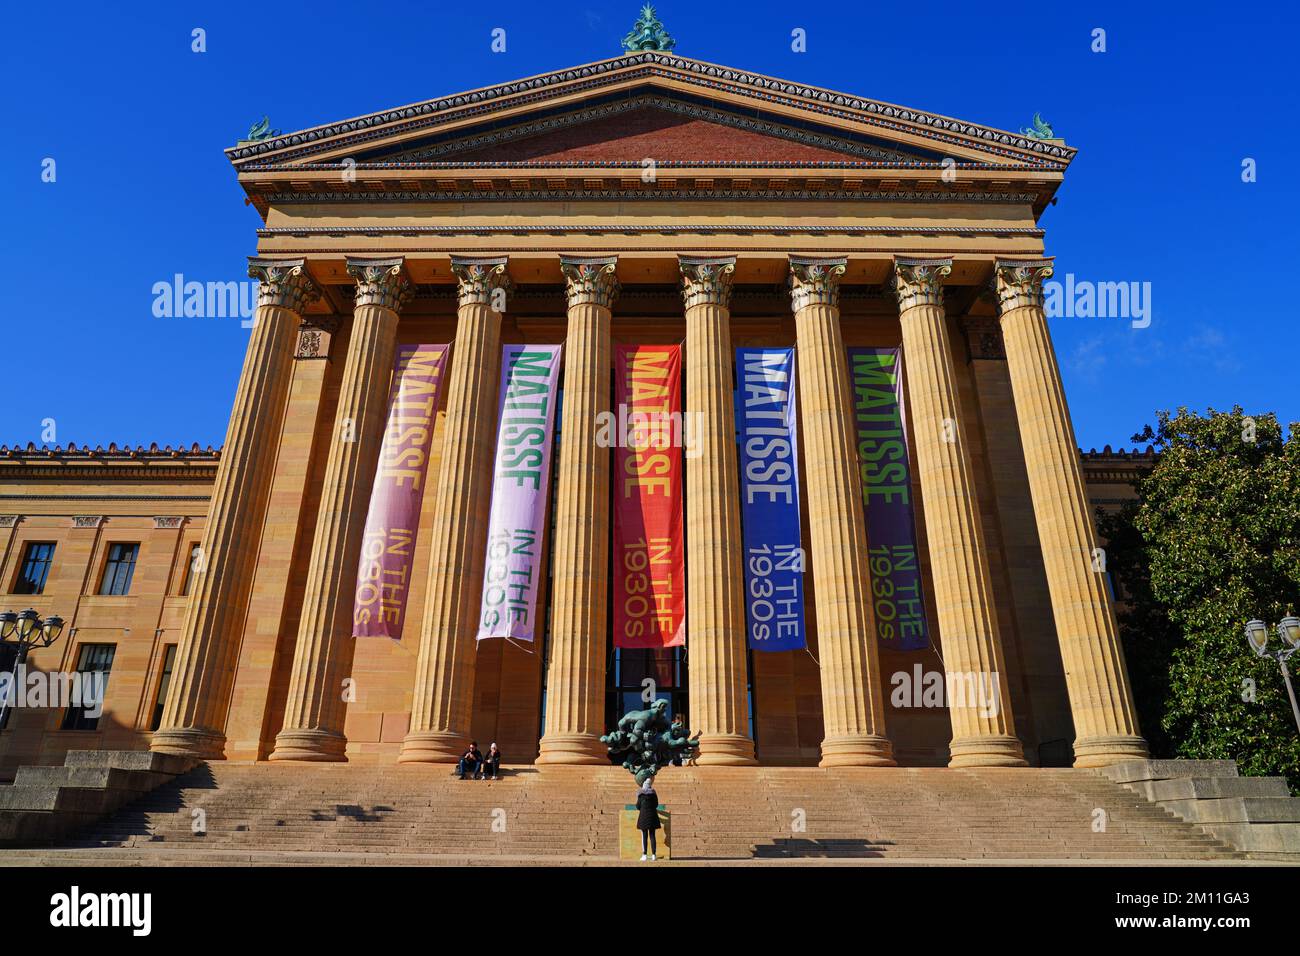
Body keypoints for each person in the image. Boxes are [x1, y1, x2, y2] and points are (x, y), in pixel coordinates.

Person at [635, 777, 661, 861]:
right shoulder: (653, 794)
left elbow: (637, 806)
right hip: (653, 816)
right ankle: (654, 855)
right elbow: (656, 804)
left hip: (643, 817)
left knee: (644, 836)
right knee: (652, 836)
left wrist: (643, 809)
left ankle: (644, 855)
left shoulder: (641, 795)